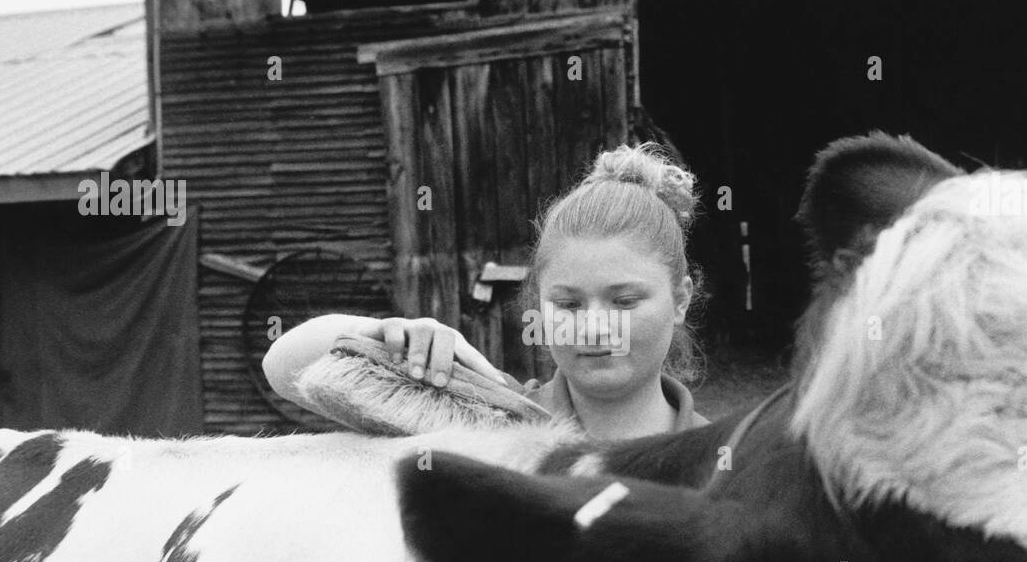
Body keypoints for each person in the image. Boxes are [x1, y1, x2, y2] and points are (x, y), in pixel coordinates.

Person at [263, 143, 709, 441]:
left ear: (681, 300)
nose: (594, 326)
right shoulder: (484, 421)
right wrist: (386, 335)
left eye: (625, 301)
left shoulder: (728, 460)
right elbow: (283, 368)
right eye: (568, 304)